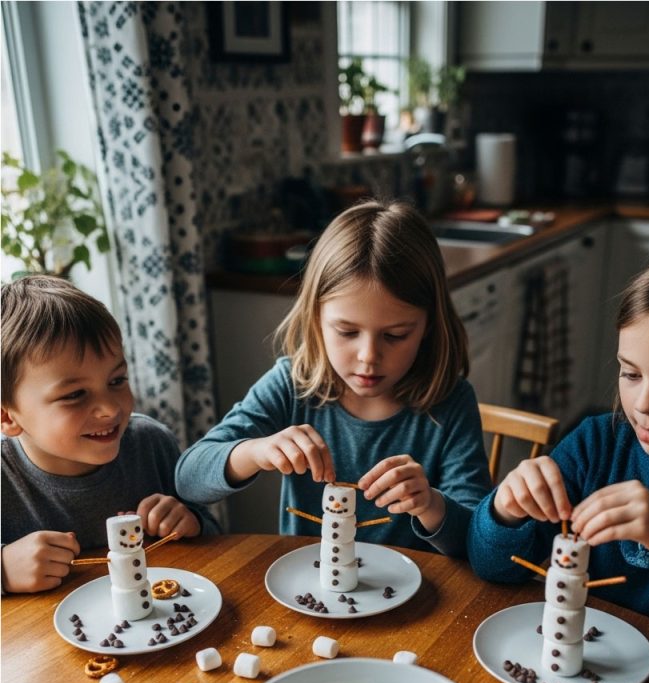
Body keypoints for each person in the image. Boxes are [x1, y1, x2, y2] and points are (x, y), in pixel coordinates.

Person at [176, 199, 491, 557]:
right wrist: (256, 450)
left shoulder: (451, 402)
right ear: (316, 318)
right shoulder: (292, 385)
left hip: (419, 602)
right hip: (312, 597)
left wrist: (432, 504)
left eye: (396, 335)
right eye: (346, 331)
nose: (368, 356)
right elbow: (188, 479)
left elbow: (477, 541)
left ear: (428, 325)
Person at [468, 246, 649, 646]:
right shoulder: (597, 444)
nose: (644, 403)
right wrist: (505, 512)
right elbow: (492, 567)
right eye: (630, 374)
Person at [1, 276, 219, 594]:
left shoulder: (152, 444)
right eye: (75, 394)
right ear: (7, 416)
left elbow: (219, 542)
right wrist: (4, 571)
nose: (108, 408)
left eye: (117, 380)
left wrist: (192, 523)